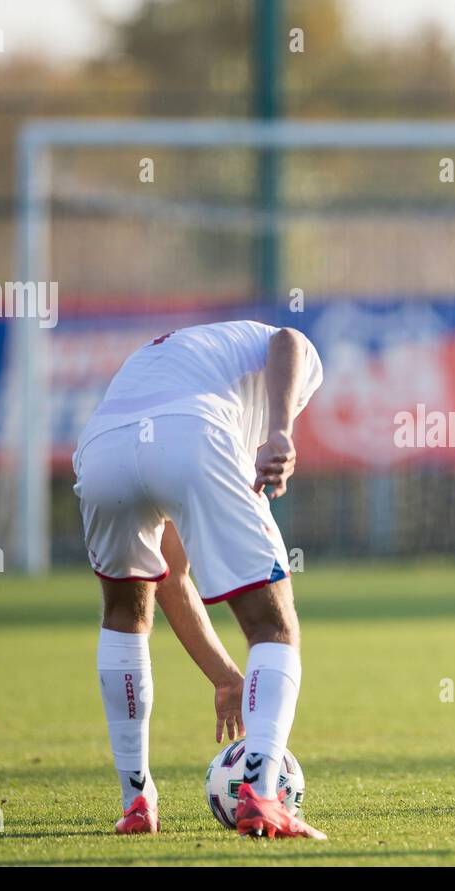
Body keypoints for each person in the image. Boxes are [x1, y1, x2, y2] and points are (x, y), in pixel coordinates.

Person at [73, 319, 327, 839]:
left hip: (101, 447)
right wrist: (282, 429)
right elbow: (290, 340)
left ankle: (136, 801)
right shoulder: (264, 362)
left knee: (124, 615)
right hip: (190, 431)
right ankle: (261, 794)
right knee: (273, 625)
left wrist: (226, 677)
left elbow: (171, 576)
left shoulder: (181, 356)